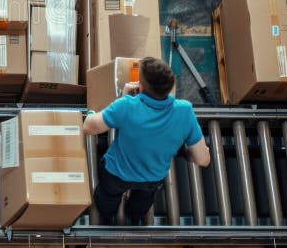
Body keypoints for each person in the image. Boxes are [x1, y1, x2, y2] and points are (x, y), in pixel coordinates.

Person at [82, 57, 211, 225]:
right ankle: (133, 216)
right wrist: (187, 153)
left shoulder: (127, 106)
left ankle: (107, 215)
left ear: (140, 86)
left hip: (116, 174)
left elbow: (88, 127)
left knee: (108, 197)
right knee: (142, 201)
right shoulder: (185, 110)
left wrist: (121, 99)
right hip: (152, 178)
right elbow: (203, 159)